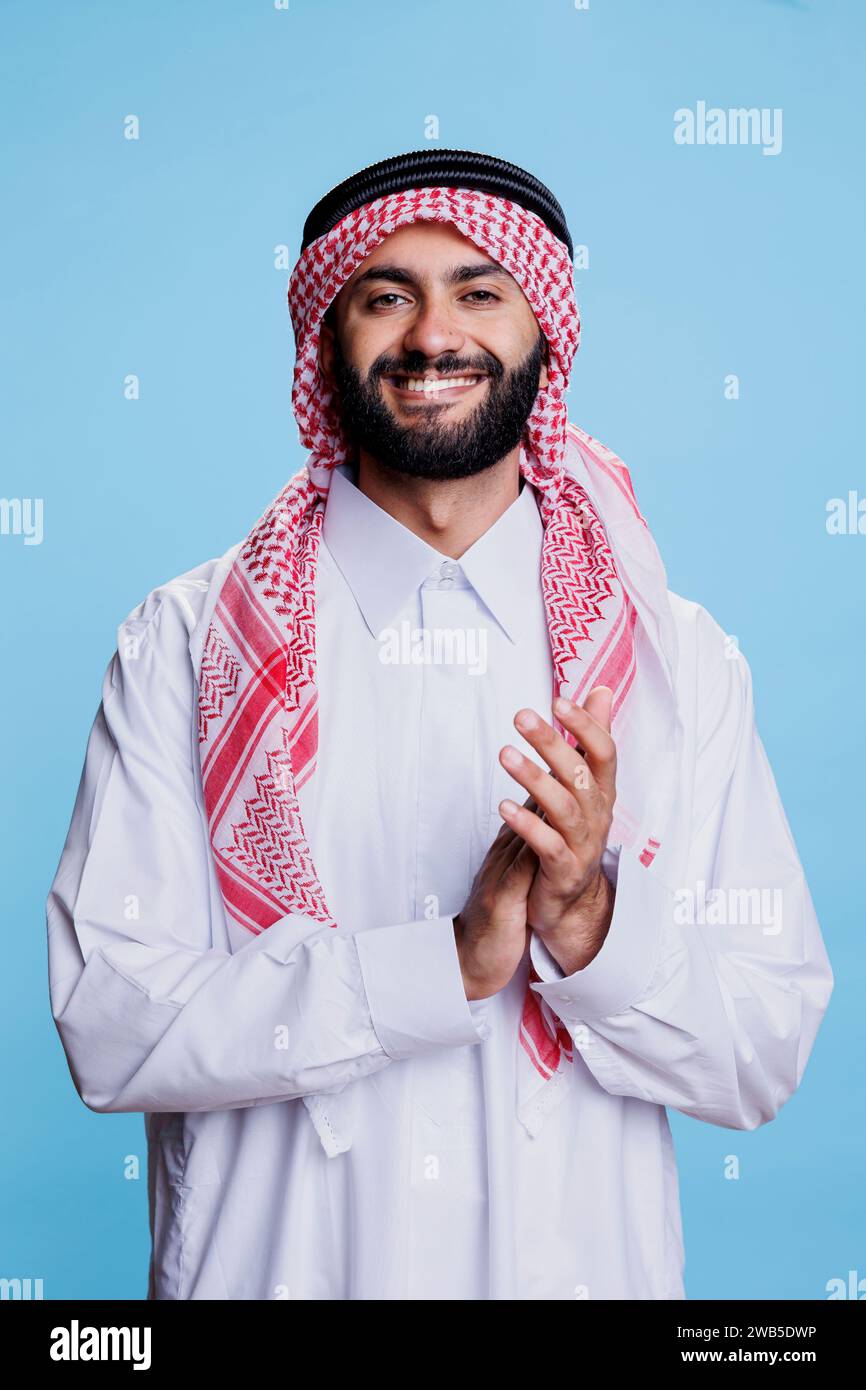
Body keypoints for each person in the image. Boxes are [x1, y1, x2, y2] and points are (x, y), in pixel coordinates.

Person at [46, 148, 834, 1301]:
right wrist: (438, 968)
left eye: (477, 291)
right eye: (385, 296)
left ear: (541, 335)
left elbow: (760, 1052)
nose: (429, 338)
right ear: (326, 341)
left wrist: (588, 924)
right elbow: (109, 1023)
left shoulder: (673, 663)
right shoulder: (187, 643)